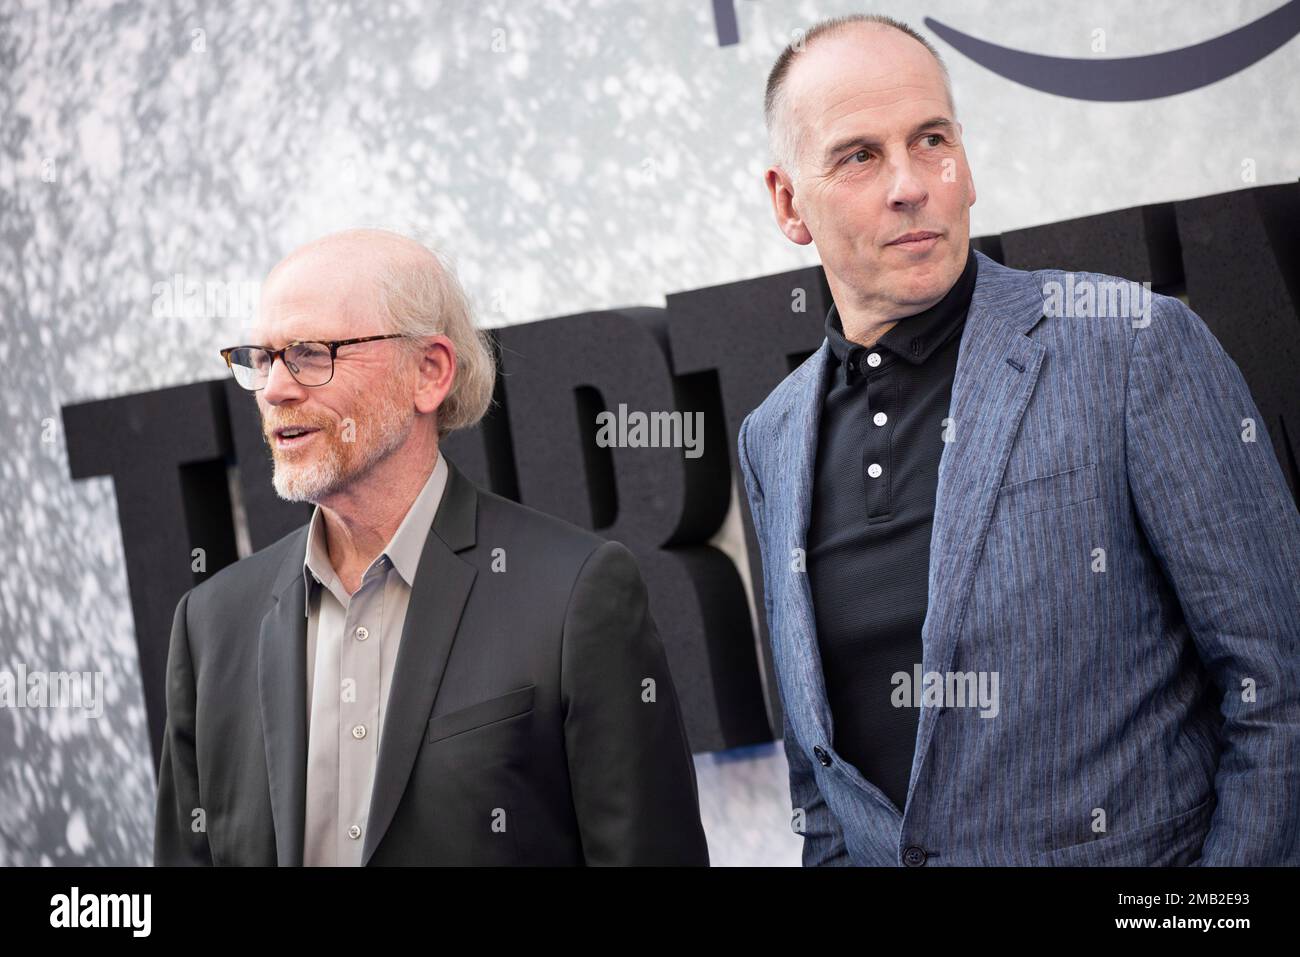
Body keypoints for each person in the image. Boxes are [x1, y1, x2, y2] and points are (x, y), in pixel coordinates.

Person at [738, 15, 1300, 866]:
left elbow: (1279, 693)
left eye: (931, 140)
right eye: (859, 156)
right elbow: (823, 790)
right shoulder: (772, 435)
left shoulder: (1131, 345)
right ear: (788, 203)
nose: (910, 184)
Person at [155, 228, 708, 865]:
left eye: (310, 354)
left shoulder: (574, 593)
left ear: (429, 372)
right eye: (262, 358)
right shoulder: (212, 624)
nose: (276, 388)